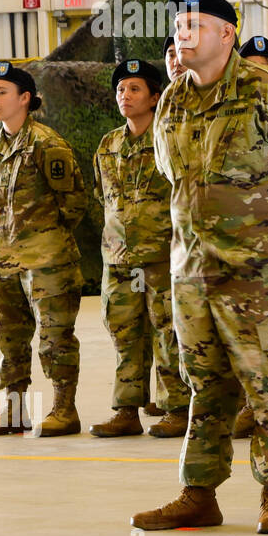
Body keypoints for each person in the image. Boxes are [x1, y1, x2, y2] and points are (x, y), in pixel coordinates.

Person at [132, 0, 268, 534]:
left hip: (265, 272)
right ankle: (199, 492)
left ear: (227, 33)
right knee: (205, 382)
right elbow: (172, 177)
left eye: (196, 22)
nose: (183, 32)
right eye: (179, 23)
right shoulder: (172, 100)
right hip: (194, 270)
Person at [0, 63, 86, 438]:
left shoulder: (47, 145)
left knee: (55, 337)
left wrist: (46, 239)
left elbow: (74, 202)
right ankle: (14, 409)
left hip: (47, 260)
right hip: (3, 259)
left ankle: (63, 408)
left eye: (2, 91)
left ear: (25, 98)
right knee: (9, 336)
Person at [89, 59, 190, 439]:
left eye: (134, 89)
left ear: (154, 97)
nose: (125, 96)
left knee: (169, 332)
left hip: (163, 255)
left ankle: (177, 408)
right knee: (124, 333)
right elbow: (103, 196)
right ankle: (126, 410)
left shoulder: (170, 138)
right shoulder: (109, 144)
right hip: (118, 258)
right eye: (120, 89)